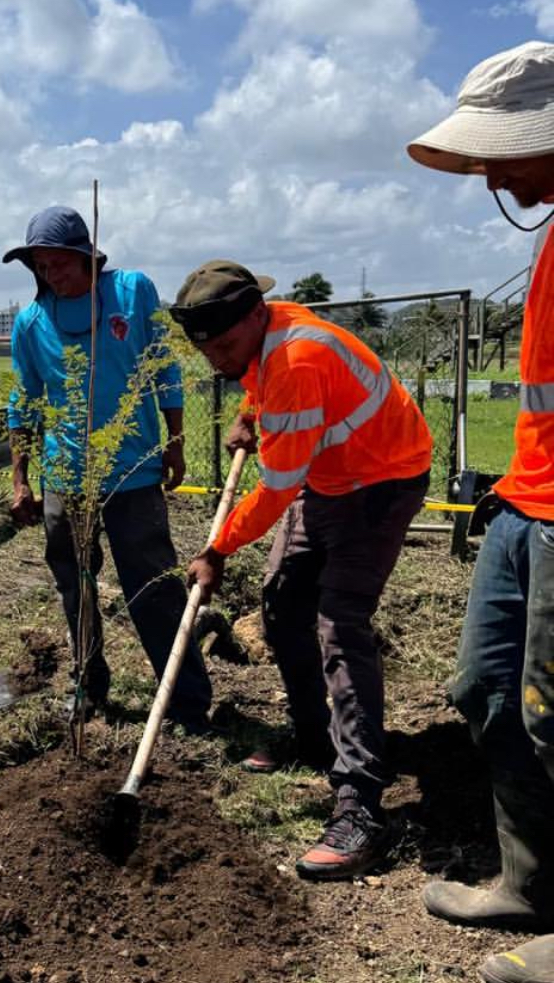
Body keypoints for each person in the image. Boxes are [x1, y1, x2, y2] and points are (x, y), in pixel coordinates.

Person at [176, 260, 432, 881]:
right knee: (283, 603)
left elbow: (275, 490)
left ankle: (360, 802)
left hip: (380, 480)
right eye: (207, 351)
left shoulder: (298, 358)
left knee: (340, 624)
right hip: (329, 476)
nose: (218, 360)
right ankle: (314, 736)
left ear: (255, 315)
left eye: (225, 346)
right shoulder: (267, 340)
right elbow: (261, 379)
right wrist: (251, 409)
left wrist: (217, 549)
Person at [406, 41, 554, 983]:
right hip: (525, 499)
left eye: (504, 152)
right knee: (486, 689)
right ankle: (529, 882)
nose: (491, 176)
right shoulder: (552, 237)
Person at [3, 204, 213, 730]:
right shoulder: (31, 323)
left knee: (154, 587)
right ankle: (88, 684)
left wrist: (176, 441)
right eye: (41, 266)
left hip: (132, 473)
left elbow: (162, 366)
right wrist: (20, 479)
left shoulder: (131, 292)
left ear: (86, 256)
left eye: (59, 263)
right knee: (76, 586)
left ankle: (185, 700)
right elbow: (24, 403)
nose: (51, 274)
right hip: (65, 479)